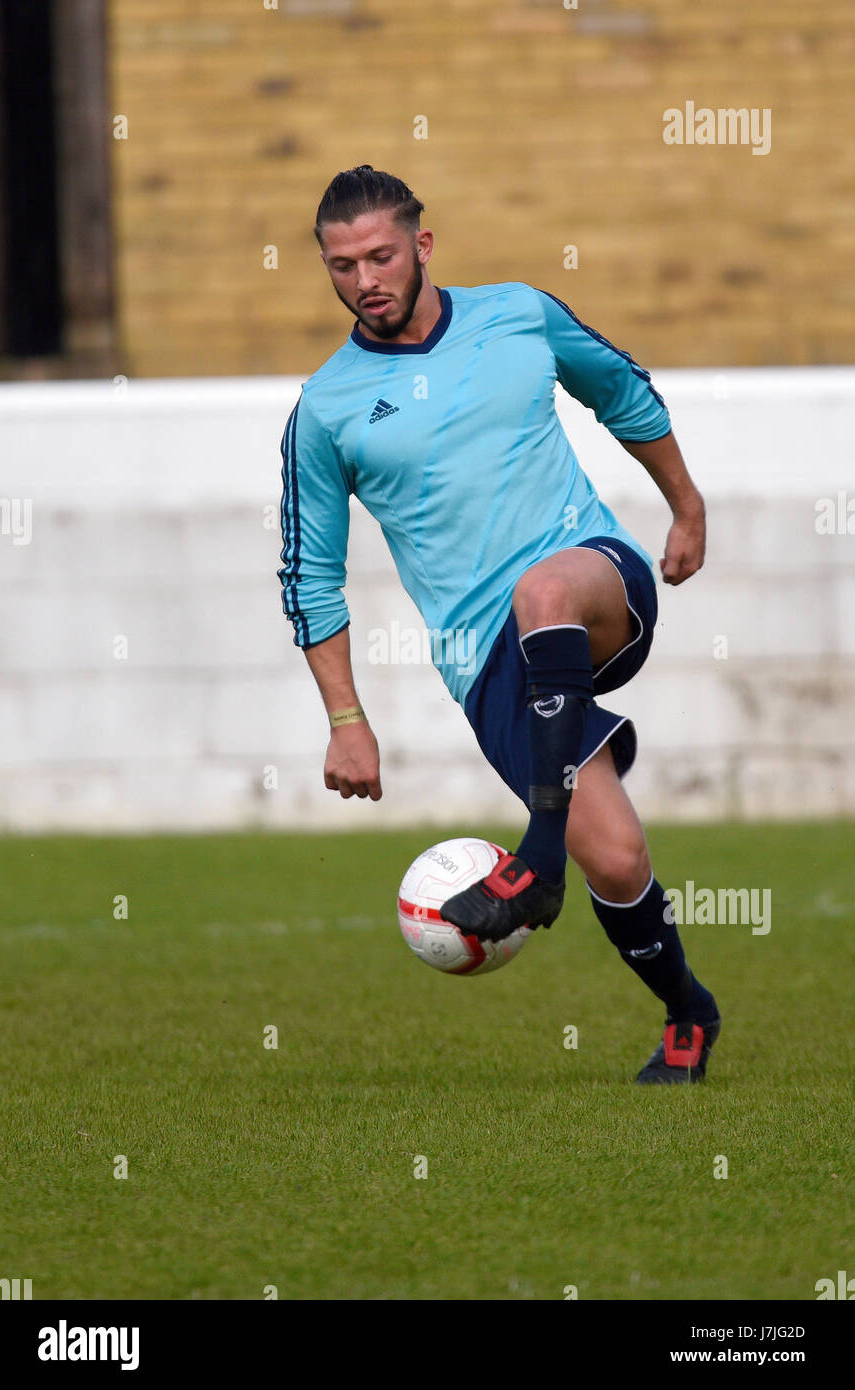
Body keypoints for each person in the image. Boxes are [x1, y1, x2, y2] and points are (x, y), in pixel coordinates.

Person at [279, 165, 720, 1083]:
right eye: (341, 264)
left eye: (381, 255)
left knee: (541, 594)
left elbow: (621, 388)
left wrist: (684, 507)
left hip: (595, 581)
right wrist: (347, 722)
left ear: (423, 247)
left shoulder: (517, 313)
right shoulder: (323, 411)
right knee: (621, 856)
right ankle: (687, 1012)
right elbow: (310, 575)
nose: (365, 278)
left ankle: (535, 860)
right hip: (489, 666)